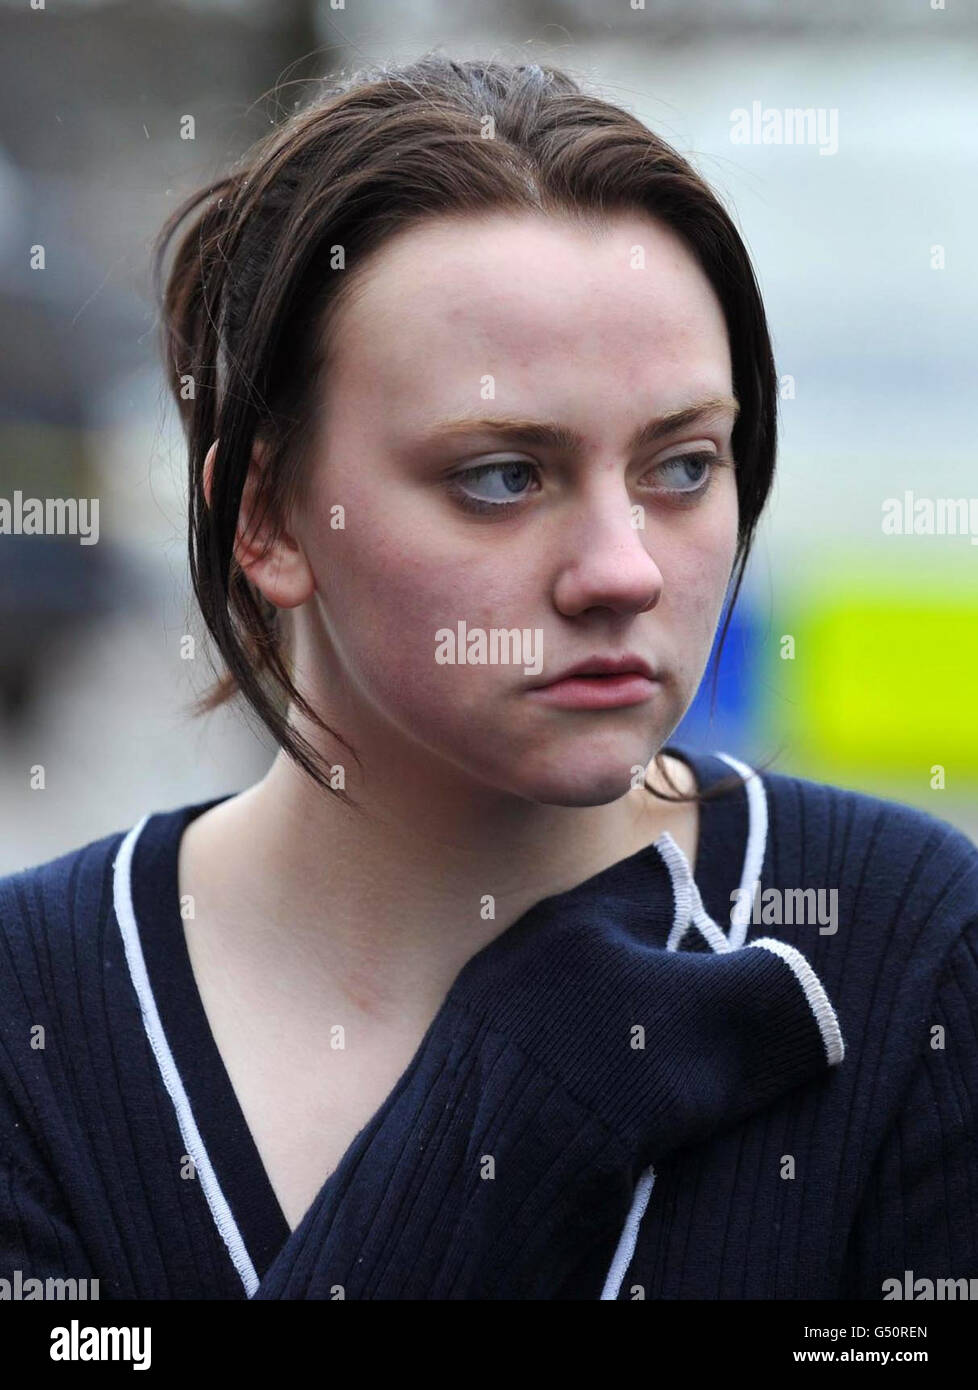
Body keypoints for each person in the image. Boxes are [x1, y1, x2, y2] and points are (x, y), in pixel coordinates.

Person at [1, 54, 976, 1302]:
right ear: (268, 521)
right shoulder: (39, 1024)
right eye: (504, 476)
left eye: (682, 466)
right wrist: (521, 1099)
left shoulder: (905, 948)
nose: (621, 572)